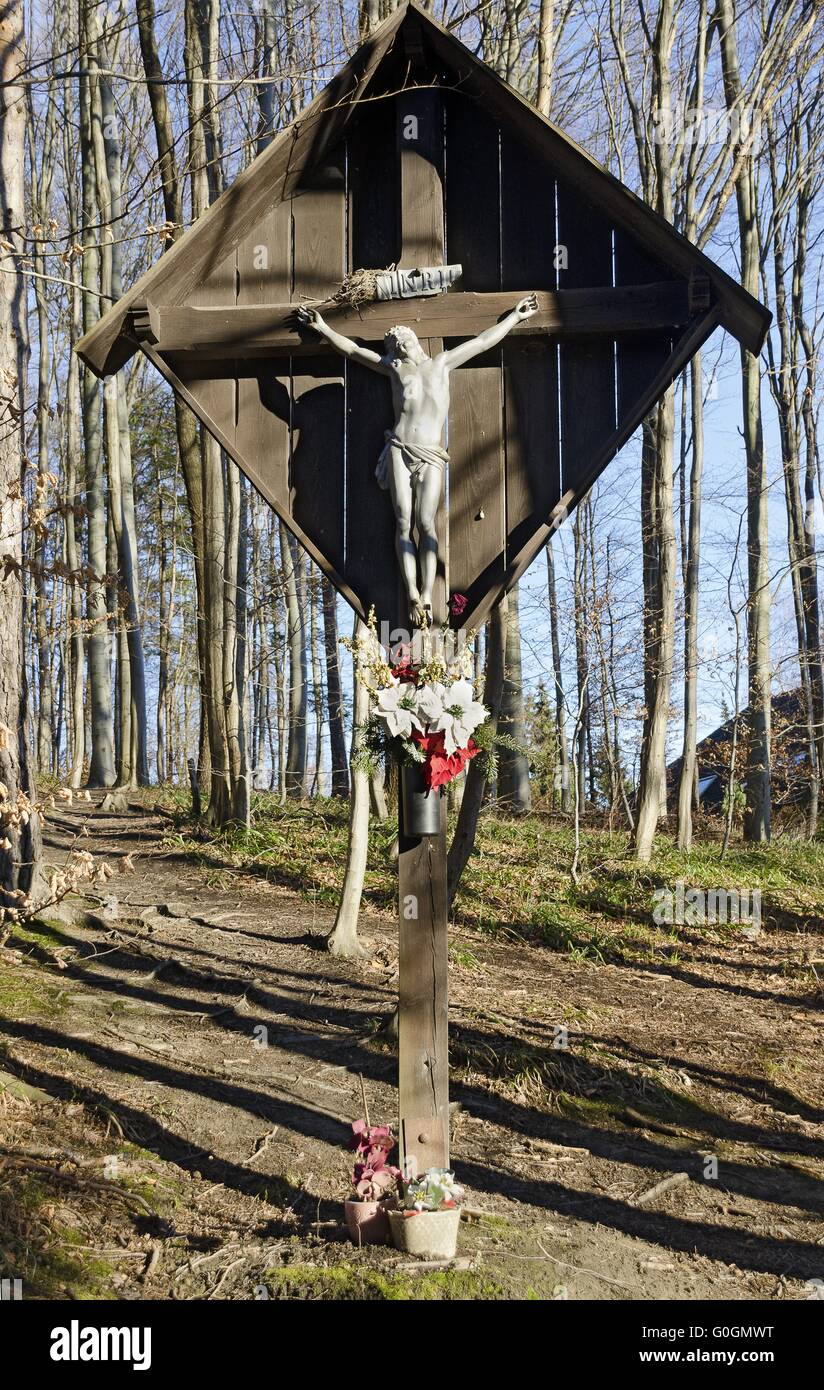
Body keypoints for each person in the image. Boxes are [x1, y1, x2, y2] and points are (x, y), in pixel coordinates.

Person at [296, 294, 538, 627]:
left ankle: (426, 594)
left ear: (414, 340)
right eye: (394, 344)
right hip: (399, 447)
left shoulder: (441, 363)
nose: (399, 347)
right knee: (402, 522)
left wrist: (514, 318)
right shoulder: (393, 368)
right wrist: (322, 328)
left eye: (402, 341)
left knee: (426, 523)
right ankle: (411, 590)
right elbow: (353, 350)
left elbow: (482, 343)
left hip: (431, 453)